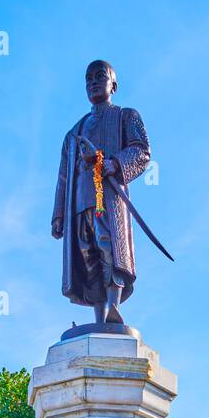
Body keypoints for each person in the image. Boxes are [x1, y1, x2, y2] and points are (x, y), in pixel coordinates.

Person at [51, 59, 152, 328]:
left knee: (108, 247)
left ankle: (114, 308)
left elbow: (141, 151)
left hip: (107, 197)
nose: (93, 82)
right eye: (88, 79)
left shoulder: (126, 116)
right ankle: (100, 317)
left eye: (100, 76)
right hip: (79, 201)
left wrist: (115, 164)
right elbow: (63, 176)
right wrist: (58, 214)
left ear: (113, 84)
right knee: (87, 254)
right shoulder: (73, 133)